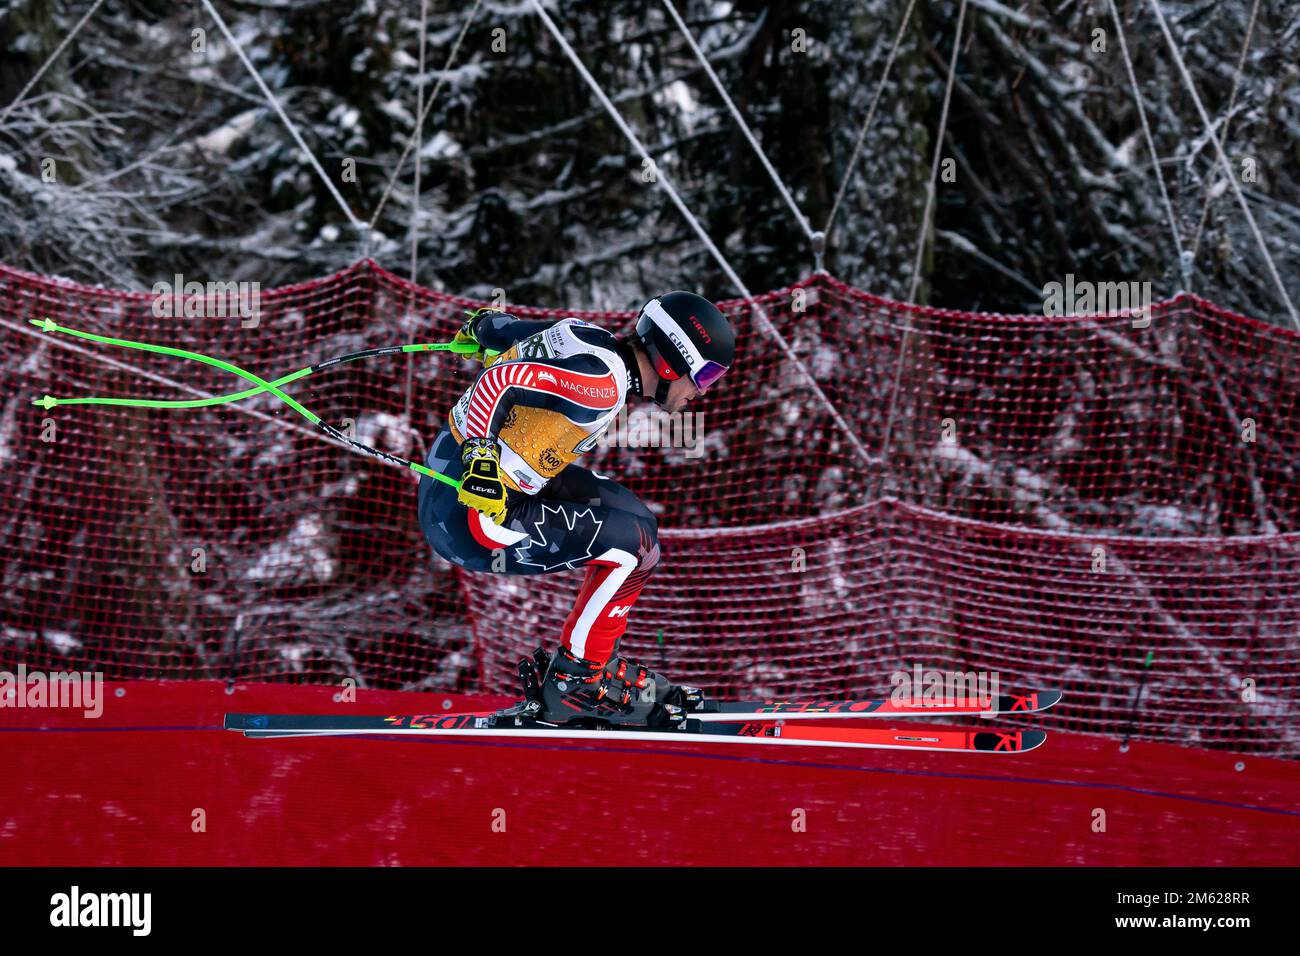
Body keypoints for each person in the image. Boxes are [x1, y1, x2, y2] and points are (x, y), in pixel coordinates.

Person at [417, 292, 734, 726]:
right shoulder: (600, 385)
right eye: (706, 375)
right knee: (634, 547)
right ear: (670, 362)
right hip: (470, 517)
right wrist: (481, 456)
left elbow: (506, 334)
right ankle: (577, 683)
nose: (701, 391)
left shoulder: (595, 341)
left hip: (471, 483)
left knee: (639, 520)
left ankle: (591, 662)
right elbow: (498, 384)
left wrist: (485, 329)